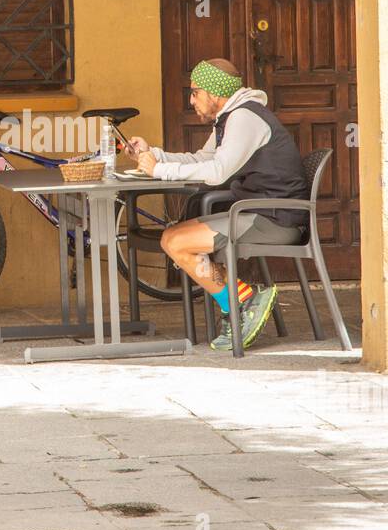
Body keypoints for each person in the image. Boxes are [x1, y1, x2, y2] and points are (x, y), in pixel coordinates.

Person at [128, 58, 310, 352]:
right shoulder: (231, 117)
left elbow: (217, 172)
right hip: (255, 212)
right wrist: (154, 155)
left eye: (195, 93)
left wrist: (159, 171)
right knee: (173, 237)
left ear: (214, 93)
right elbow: (203, 159)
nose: (191, 101)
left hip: (275, 219)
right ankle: (243, 299)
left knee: (175, 242)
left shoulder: (245, 118)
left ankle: (242, 303)